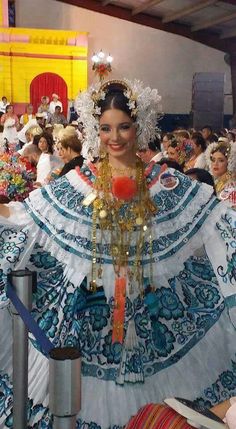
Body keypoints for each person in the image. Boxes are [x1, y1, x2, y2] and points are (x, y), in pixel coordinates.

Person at [0, 79, 235, 429]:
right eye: (107, 127)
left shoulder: (166, 182)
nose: (116, 137)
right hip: (91, 316)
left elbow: (215, 217)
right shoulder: (80, 180)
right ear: (97, 129)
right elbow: (30, 216)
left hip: (150, 314)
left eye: (124, 127)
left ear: (139, 127)